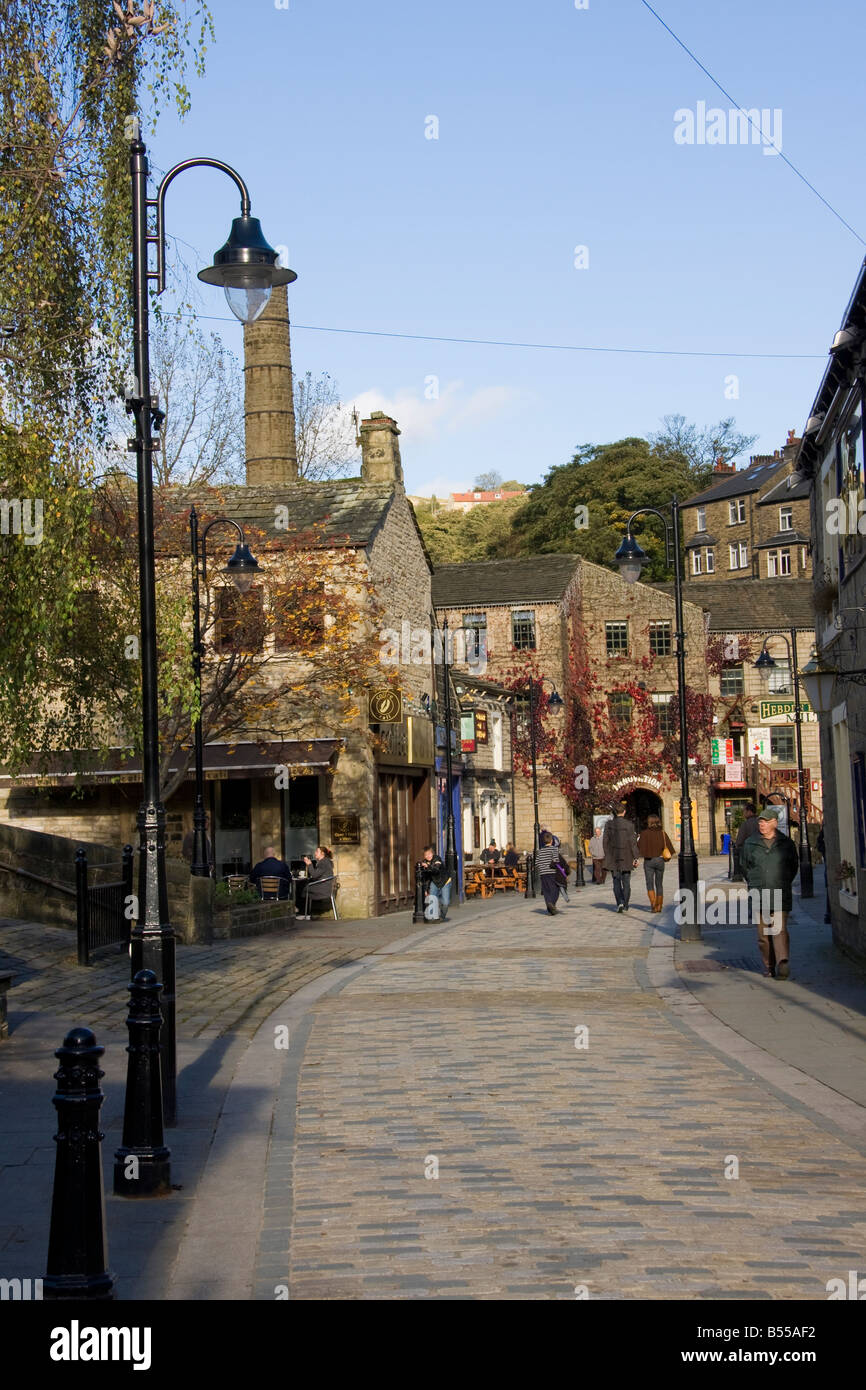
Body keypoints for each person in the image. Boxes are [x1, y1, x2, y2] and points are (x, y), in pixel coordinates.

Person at [739, 806, 799, 979]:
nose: (762, 824)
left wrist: (783, 880)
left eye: (765, 821)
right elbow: (744, 866)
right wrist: (754, 880)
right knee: (764, 936)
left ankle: (782, 963)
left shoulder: (786, 843)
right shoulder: (751, 843)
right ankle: (769, 965)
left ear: (774, 823)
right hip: (759, 893)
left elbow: (793, 866)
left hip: (780, 891)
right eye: (760, 821)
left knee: (779, 930)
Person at [602, 801, 640, 913]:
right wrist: (636, 857)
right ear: (624, 812)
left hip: (614, 857)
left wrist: (608, 854)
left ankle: (620, 902)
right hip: (626, 857)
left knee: (616, 881)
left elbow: (605, 842)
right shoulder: (629, 825)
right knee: (626, 882)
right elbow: (633, 843)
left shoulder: (609, 825)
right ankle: (626, 903)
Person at [637, 814, 675, 913]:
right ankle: (659, 905)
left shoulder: (644, 833)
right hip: (660, 860)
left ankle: (653, 904)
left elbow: (639, 847)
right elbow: (669, 848)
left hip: (649, 861)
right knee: (659, 883)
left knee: (649, 883)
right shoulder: (662, 833)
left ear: (649, 822)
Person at [298, 845, 336, 919]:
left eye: (317, 851)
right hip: (325, 887)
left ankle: (303, 912)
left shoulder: (323, 862)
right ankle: (306, 912)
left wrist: (309, 864)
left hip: (323, 889)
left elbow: (314, 875)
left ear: (322, 853)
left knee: (302, 887)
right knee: (304, 885)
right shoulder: (326, 861)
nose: (315, 853)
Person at [420, 844, 452, 921]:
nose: (428, 856)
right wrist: (426, 890)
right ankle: (432, 916)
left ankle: (442, 916)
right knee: (431, 899)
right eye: (426, 855)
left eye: (429, 854)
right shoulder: (424, 863)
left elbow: (436, 870)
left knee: (446, 902)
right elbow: (426, 878)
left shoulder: (437, 859)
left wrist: (428, 867)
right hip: (434, 882)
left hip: (445, 881)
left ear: (432, 853)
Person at [535, 830, 562, 914]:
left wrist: (542, 868)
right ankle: (552, 904)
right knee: (555, 890)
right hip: (552, 872)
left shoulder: (540, 851)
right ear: (552, 840)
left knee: (546, 891)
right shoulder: (554, 849)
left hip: (543, 873)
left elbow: (537, 863)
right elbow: (556, 861)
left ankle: (550, 908)